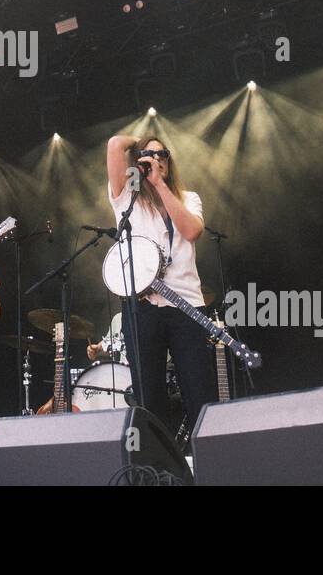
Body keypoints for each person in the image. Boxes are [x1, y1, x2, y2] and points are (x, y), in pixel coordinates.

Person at [105, 133, 215, 437]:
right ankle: (159, 470)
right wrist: (143, 143)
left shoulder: (188, 197)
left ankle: (208, 460)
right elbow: (115, 144)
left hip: (187, 305)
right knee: (149, 395)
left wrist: (160, 185)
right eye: (148, 156)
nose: (156, 160)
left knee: (199, 388)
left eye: (162, 155)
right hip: (144, 307)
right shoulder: (127, 198)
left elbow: (192, 231)